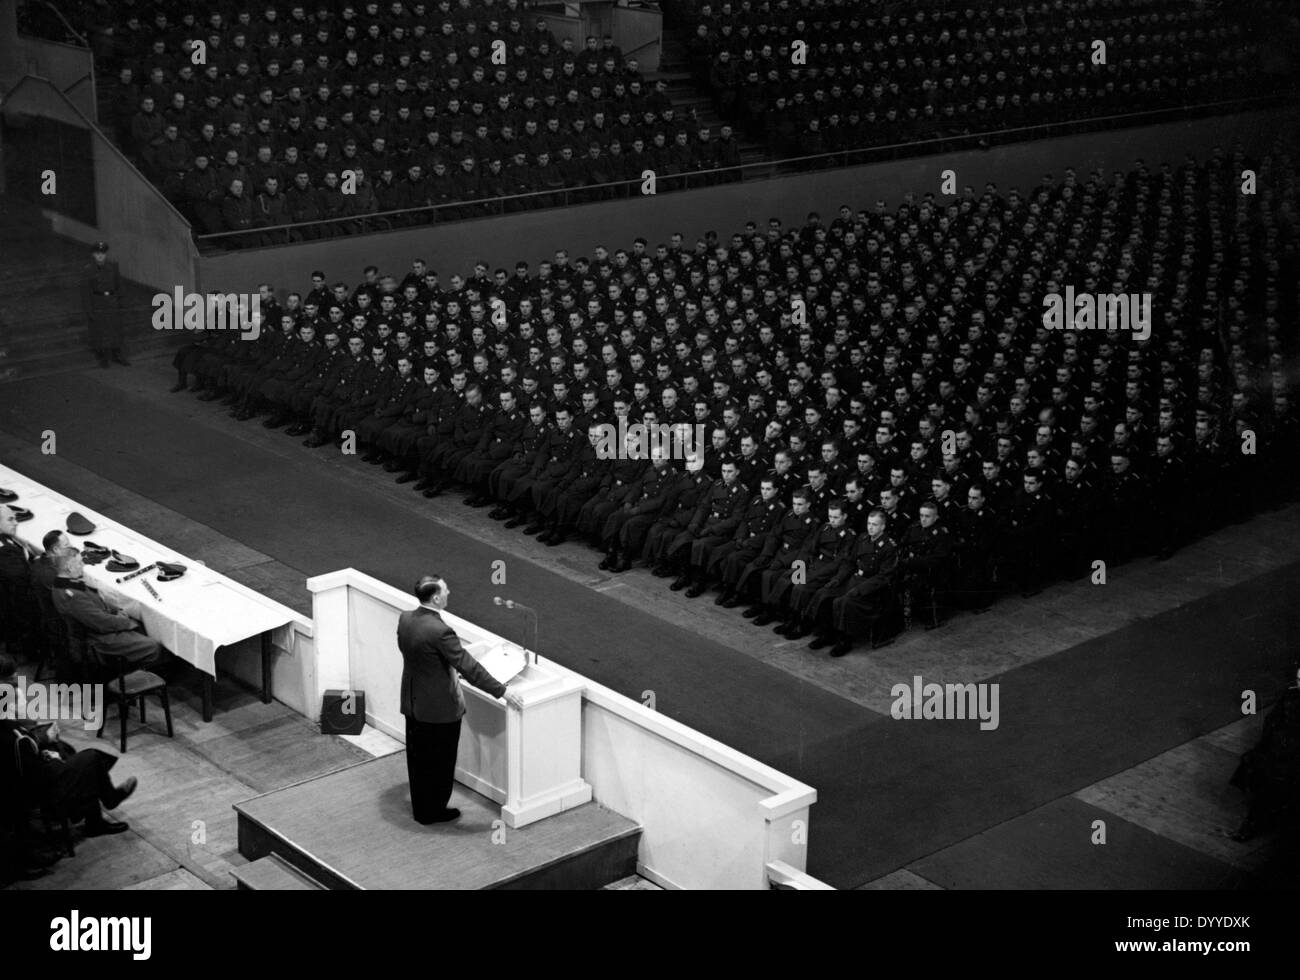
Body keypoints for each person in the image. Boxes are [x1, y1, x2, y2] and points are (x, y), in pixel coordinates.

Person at [396, 575, 521, 825]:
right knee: (440, 762)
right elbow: (469, 668)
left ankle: (422, 808)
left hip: (413, 701)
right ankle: (434, 811)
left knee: (418, 760)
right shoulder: (441, 631)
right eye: (445, 589)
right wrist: (502, 691)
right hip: (438, 709)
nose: (449, 592)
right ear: (436, 597)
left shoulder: (405, 618)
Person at [49, 550, 166, 670]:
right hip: (99, 638)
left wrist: (117, 611)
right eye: (79, 563)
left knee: (141, 626)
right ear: (69, 567)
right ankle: (140, 676)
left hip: (100, 628)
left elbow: (97, 603)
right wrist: (124, 619)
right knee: (153, 647)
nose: (83, 565)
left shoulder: (65, 584)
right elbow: (101, 623)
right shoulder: (72, 595)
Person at [80, 241, 129, 368]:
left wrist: (121, 302)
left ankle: (117, 355)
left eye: (102, 253)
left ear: (105, 254)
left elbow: (119, 285)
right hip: (98, 301)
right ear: (93, 255)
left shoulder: (113, 266)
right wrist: (89, 310)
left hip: (112, 300)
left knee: (115, 329)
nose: (100, 256)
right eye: (97, 254)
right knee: (100, 330)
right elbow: (86, 292)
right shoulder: (88, 270)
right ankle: (104, 357)